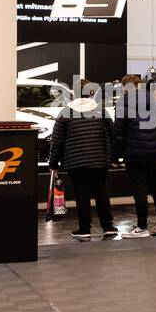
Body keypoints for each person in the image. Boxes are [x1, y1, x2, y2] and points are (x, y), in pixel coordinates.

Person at [51, 94, 116, 241]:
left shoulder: (65, 113)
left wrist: (53, 163)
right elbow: (113, 134)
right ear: (91, 94)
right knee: (102, 194)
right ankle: (108, 227)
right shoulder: (101, 111)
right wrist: (113, 157)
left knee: (82, 196)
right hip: (99, 160)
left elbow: (57, 141)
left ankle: (84, 229)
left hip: (75, 162)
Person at [113, 73, 156, 237]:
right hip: (155, 153)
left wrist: (115, 157)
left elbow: (118, 134)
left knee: (140, 190)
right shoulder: (154, 101)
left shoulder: (123, 103)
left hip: (135, 153)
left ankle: (142, 227)